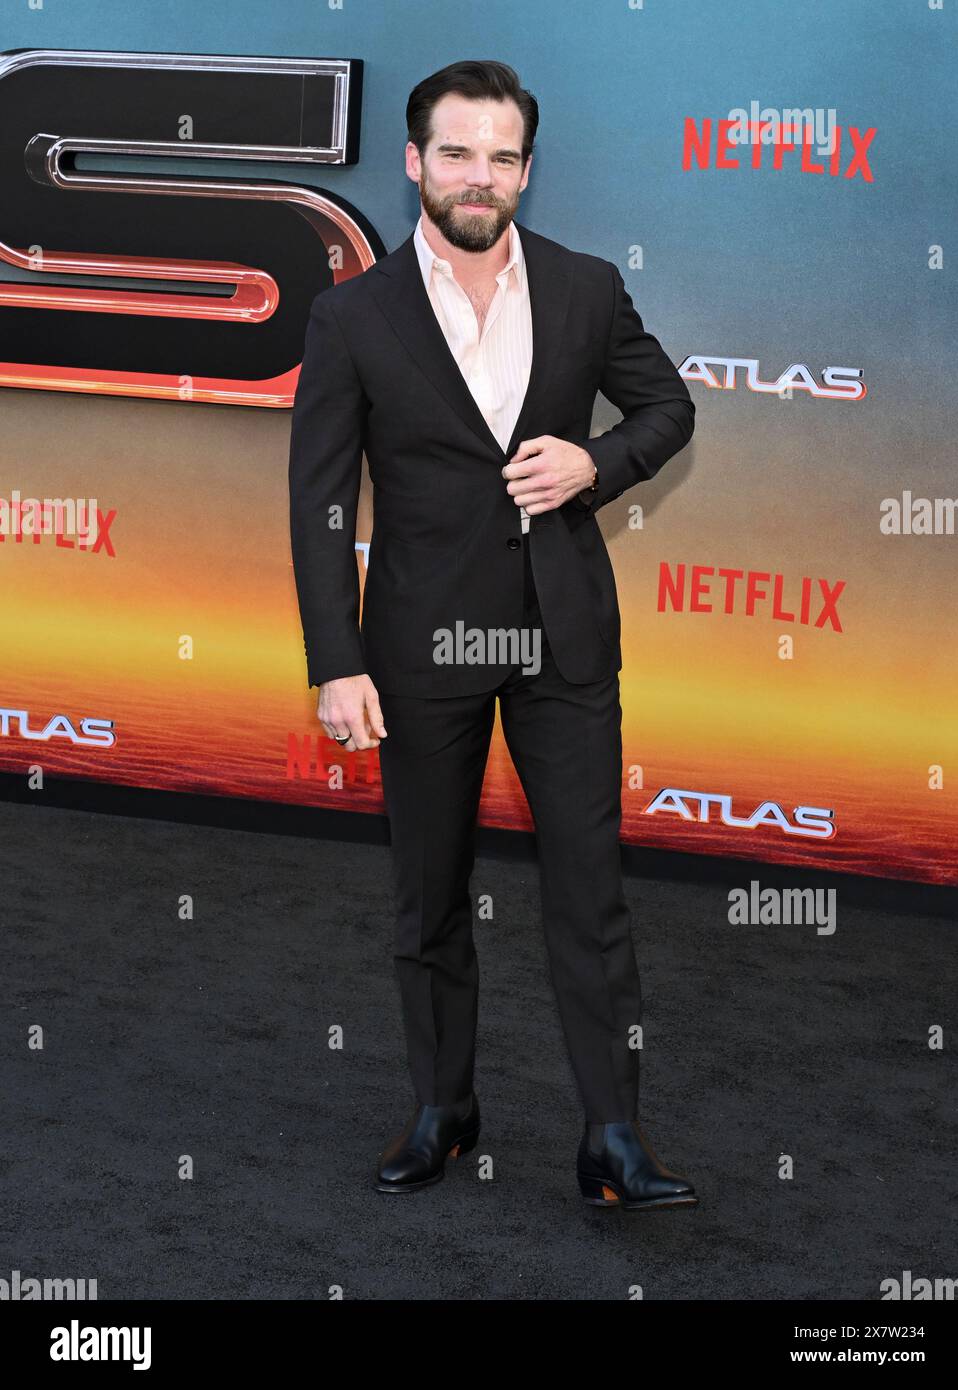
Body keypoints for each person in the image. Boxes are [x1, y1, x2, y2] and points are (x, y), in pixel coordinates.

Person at [288, 60, 698, 1212]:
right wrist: (337, 657)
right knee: (429, 893)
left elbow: (669, 407)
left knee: (591, 890)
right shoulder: (351, 314)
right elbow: (320, 497)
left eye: (502, 156)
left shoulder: (584, 287)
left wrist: (594, 464)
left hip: (561, 637)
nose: (481, 176)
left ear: (527, 169)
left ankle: (611, 1134)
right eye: (457, 153)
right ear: (414, 162)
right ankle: (444, 1109)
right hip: (418, 649)